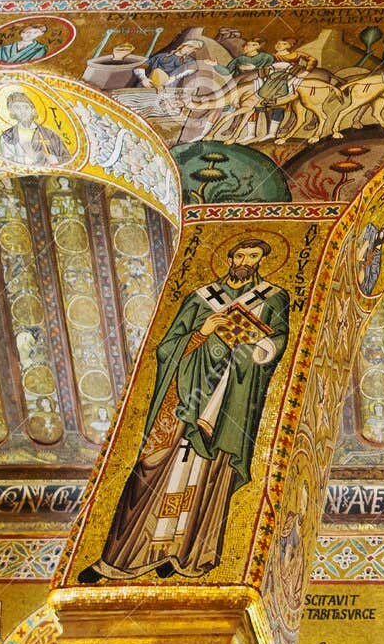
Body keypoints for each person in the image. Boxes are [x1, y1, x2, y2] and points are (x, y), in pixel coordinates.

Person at [77, 238, 289, 581]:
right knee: (153, 464)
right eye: (240, 255)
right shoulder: (201, 298)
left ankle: (184, 554)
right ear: (229, 258)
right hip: (184, 399)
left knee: (208, 473)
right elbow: (166, 348)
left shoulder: (273, 297)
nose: (246, 261)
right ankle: (120, 558)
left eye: (254, 256)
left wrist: (257, 347)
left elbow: (278, 340)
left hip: (229, 401)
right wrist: (202, 332)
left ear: (262, 260)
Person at [0, 91, 70, 166]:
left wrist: (55, 159)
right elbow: (6, 162)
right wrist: (29, 158)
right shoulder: (8, 136)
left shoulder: (50, 134)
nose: (22, 111)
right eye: (17, 107)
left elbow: (67, 158)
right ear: (12, 112)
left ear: (33, 110)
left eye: (26, 107)